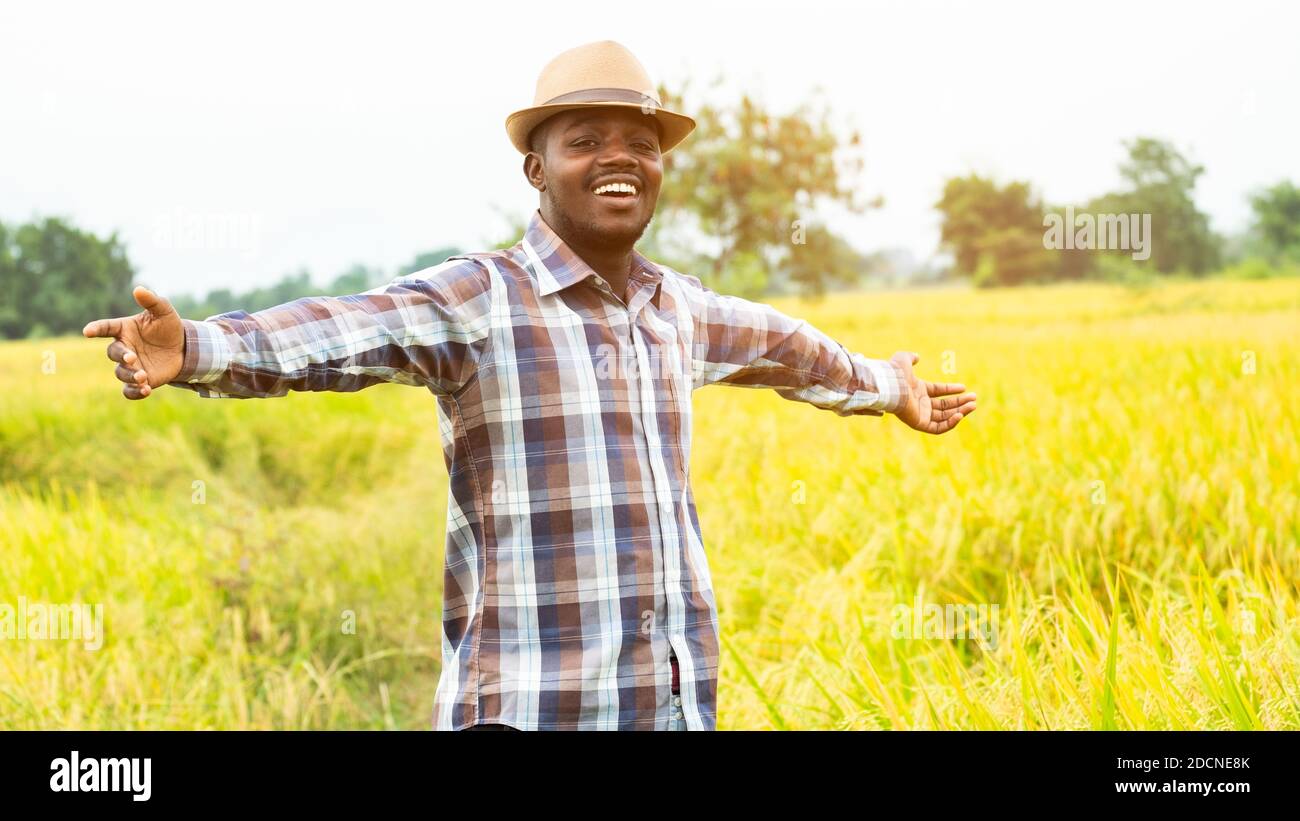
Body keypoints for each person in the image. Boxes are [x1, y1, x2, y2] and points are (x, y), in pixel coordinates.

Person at [83, 40, 976, 731]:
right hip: (528, 708)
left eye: (639, 143)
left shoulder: (681, 309)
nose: (617, 158)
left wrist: (888, 388)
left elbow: (793, 350)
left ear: (662, 168)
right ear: (537, 169)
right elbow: (347, 328)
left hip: (671, 703)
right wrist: (197, 346)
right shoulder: (482, 297)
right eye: (584, 142)